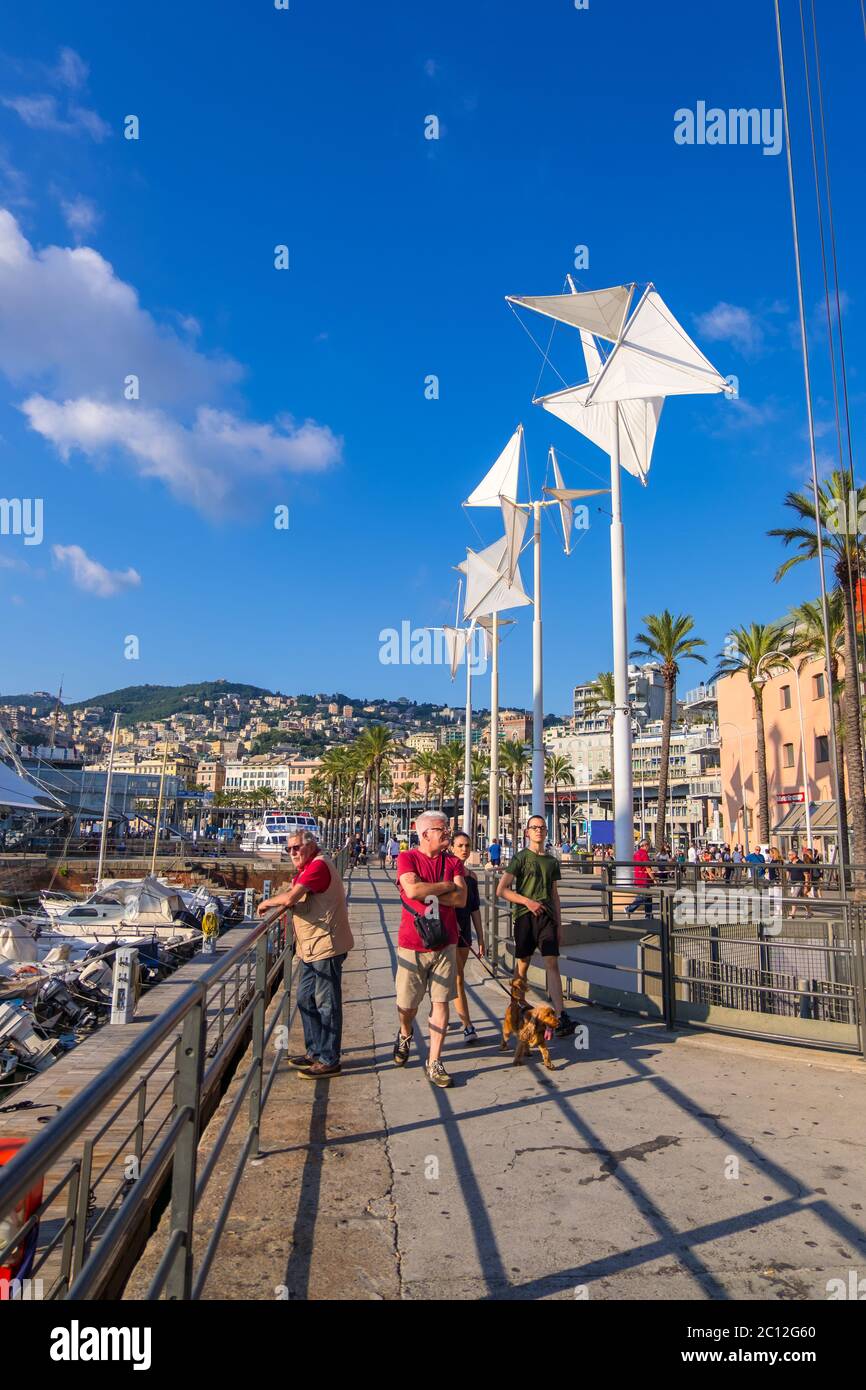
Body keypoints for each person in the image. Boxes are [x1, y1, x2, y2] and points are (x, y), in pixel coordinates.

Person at [258, 830, 353, 1079]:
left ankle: (329, 1058)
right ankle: (315, 1051)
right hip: (311, 946)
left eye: (297, 848)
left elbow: (291, 898)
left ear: (310, 846)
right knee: (304, 998)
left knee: (326, 1003)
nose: (292, 853)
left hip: (326, 945)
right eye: (289, 849)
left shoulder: (318, 867)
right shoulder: (310, 866)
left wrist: (267, 903)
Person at [393, 810, 467, 1088]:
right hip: (412, 943)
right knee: (407, 1004)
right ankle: (404, 1032)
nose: (447, 832)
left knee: (441, 1001)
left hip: (446, 941)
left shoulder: (453, 862)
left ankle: (434, 1061)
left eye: (447, 828)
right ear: (425, 834)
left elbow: (461, 899)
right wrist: (446, 887)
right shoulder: (407, 858)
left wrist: (430, 890)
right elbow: (412, 892)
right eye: (441, 828)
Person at [496, 815, 576, 1038]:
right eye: (534, 827)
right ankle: (516, 1006)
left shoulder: (551, 861)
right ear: (527, 832)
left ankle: (561, 1015)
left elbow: (555, 894)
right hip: (524, 916)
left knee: (552, 962)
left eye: (542, 827)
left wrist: (559, 924)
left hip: (547, 918)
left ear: (546, 831)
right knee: (523, 963)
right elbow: (502, 889)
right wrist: (526, 901)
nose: (538, 831)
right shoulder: (520, 858)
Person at [450, 830, 486, 1044]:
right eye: (460, 845)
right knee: (458, 978)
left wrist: (481, 937)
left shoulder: (472, 877)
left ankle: (439, 1009)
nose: (464, 849)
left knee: (455, 978)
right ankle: (467, 1025)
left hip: (465, 933)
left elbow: (475, 909)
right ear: (452, 847)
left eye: (467, 845)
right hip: (448, 932)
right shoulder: (446, 873)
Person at [625, 837, 655, 918]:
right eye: (648, 845)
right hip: (644, 879)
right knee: (642, 897)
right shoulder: (644, 854)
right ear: (645, 845)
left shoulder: (636, 853)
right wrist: (654, 879)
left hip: (638, 878)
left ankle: (648, 915)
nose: (649, 847)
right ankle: (629, 909)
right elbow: (648, 868)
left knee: (648, 897)